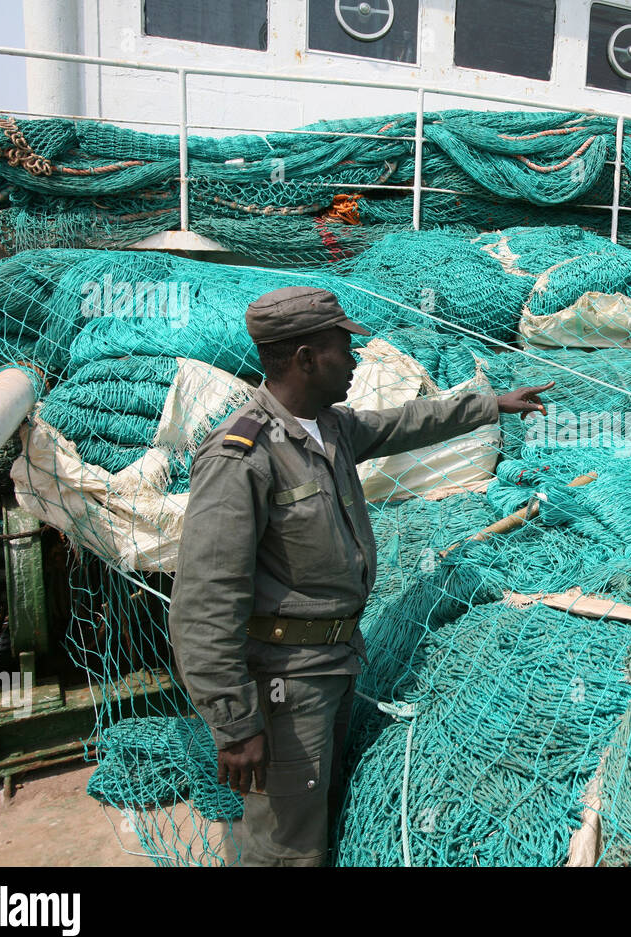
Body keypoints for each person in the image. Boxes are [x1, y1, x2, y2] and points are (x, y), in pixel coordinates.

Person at [168, 286, 553, 866]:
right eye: (341, 348)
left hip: (337, 660)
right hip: (285, 681)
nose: (354, 361)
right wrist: (235, 724)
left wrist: (489, 404)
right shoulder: (242, 454)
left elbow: (405, 423)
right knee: (284, 845)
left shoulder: (330, 428)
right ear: (303, 358)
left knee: (315, 815)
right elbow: (204, 604)